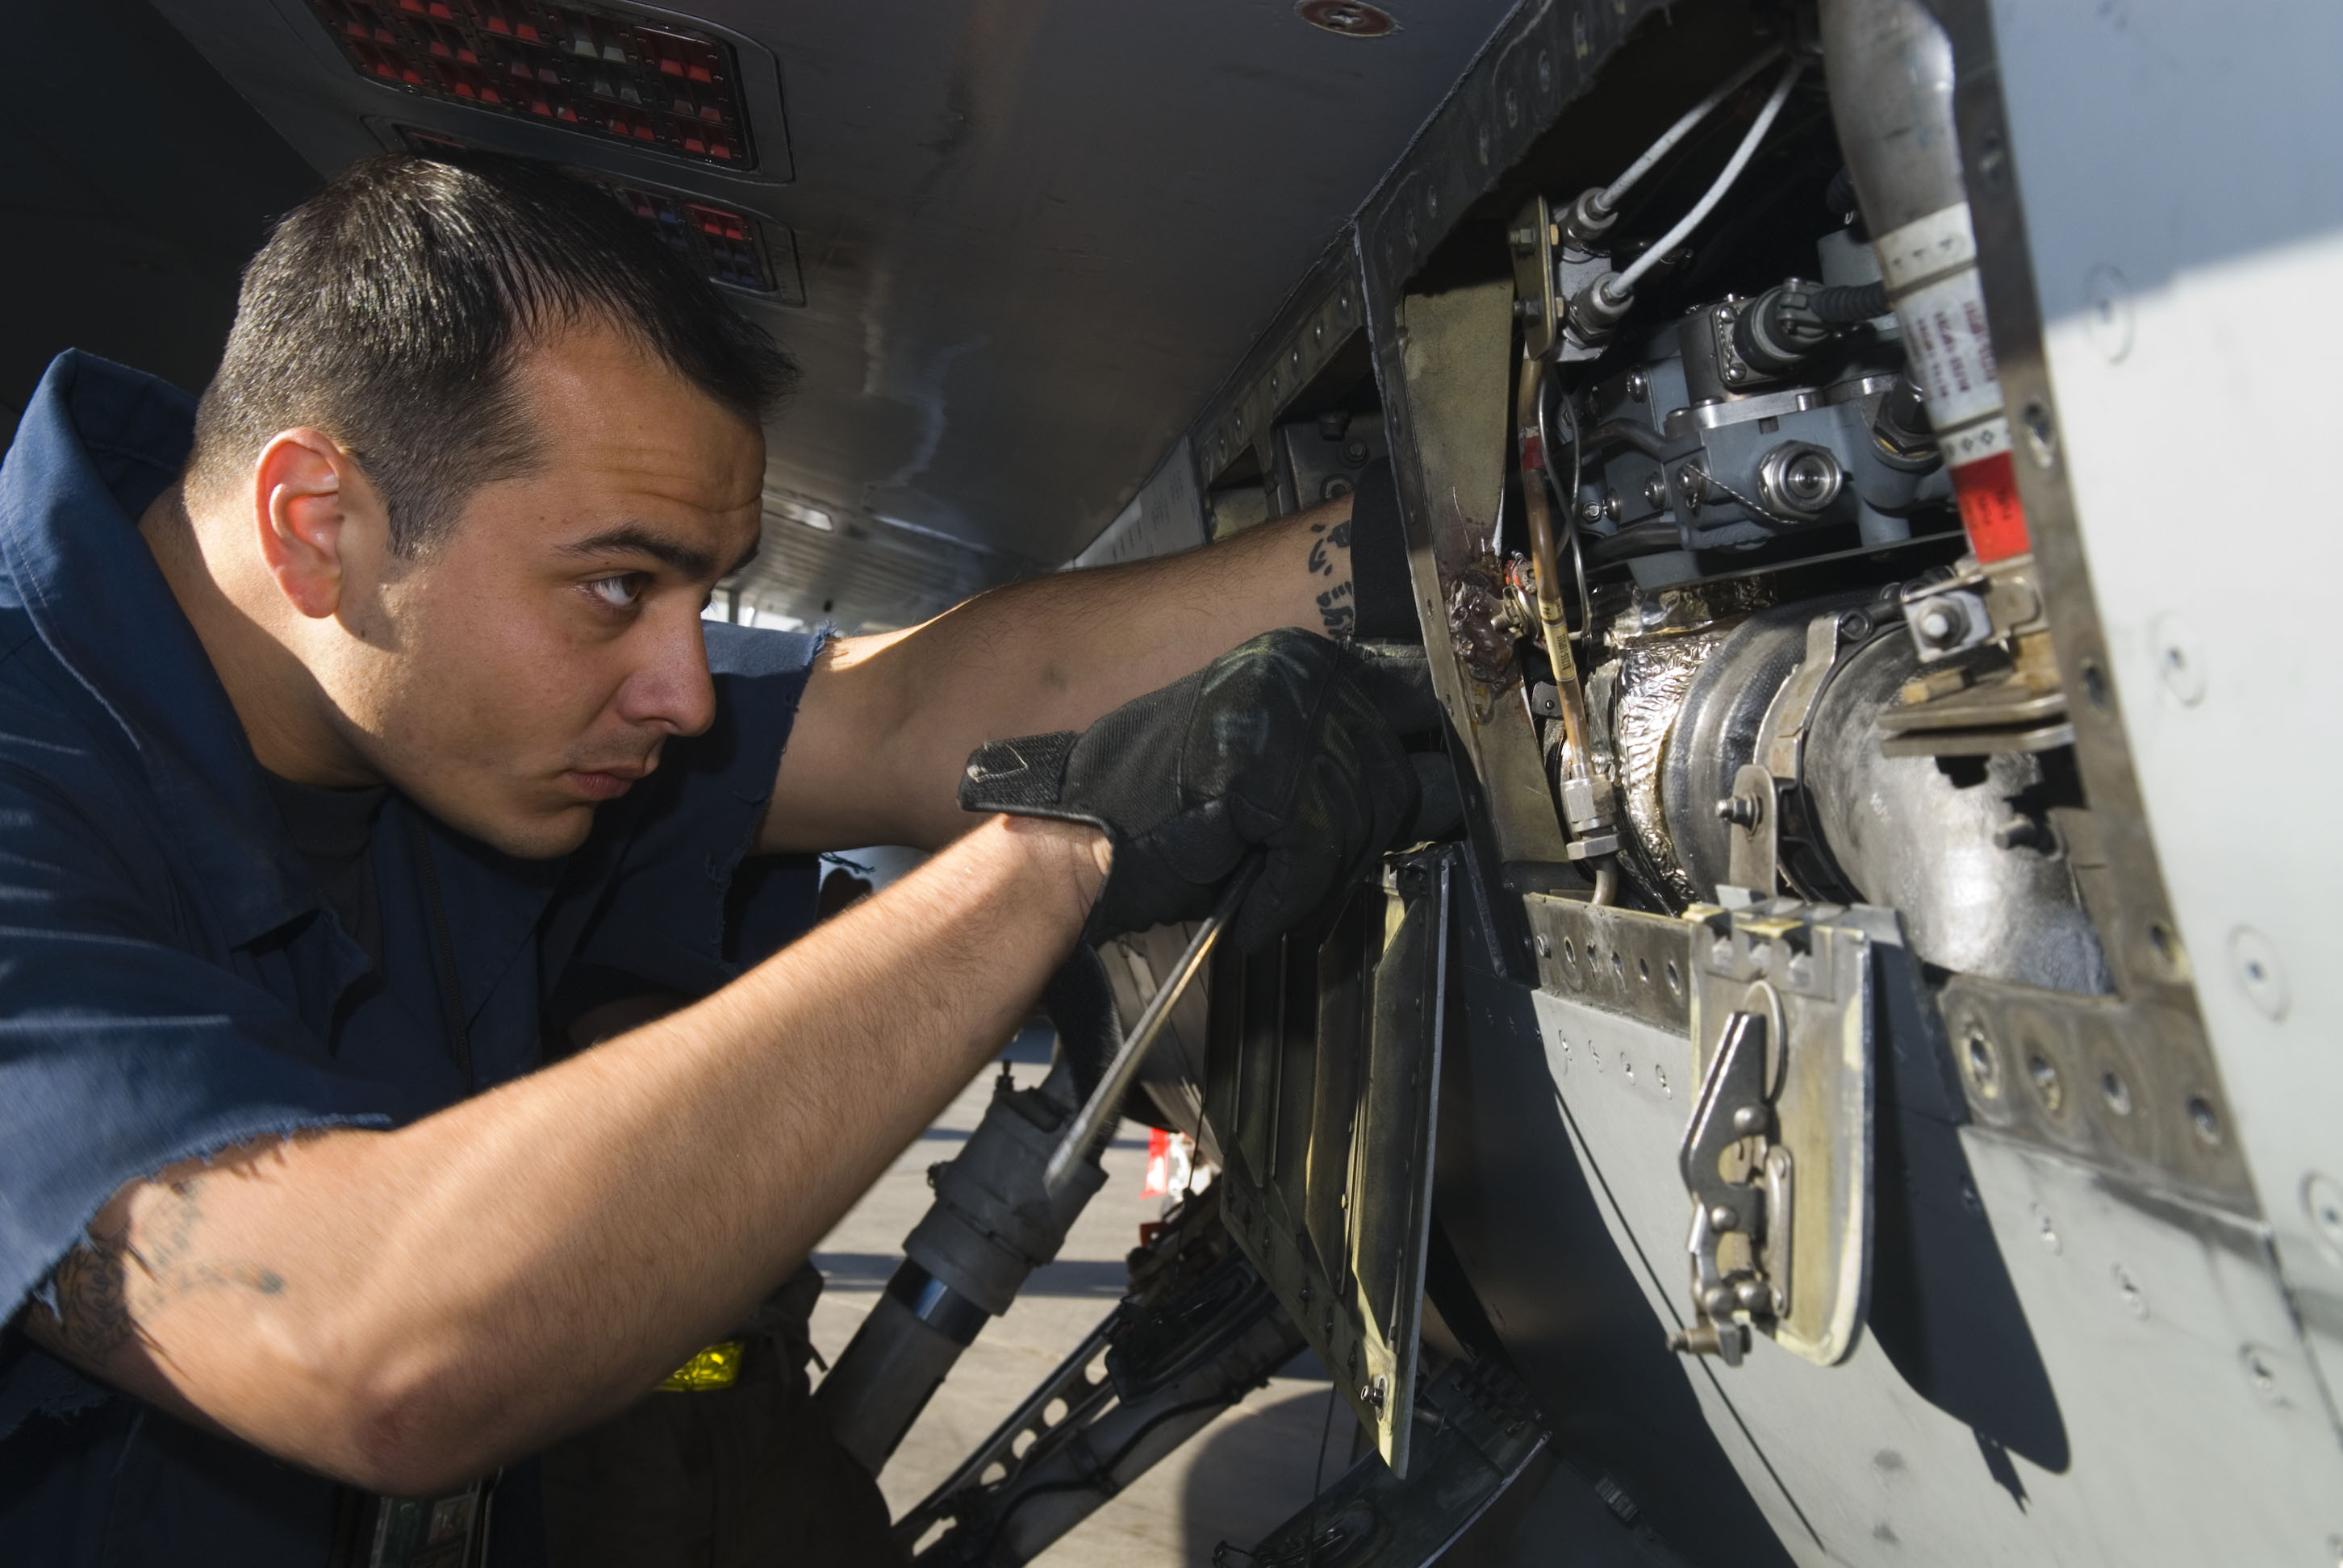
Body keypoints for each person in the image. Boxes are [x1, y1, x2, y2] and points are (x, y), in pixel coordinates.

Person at [0, 152, 1430, 1564]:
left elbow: (909, 709)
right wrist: (1053, 859)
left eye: (698, 593)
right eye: (617, 586)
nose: (683, 693)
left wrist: (1457, 551)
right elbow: (379, 1346)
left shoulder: (423, 711)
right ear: (318, 528)